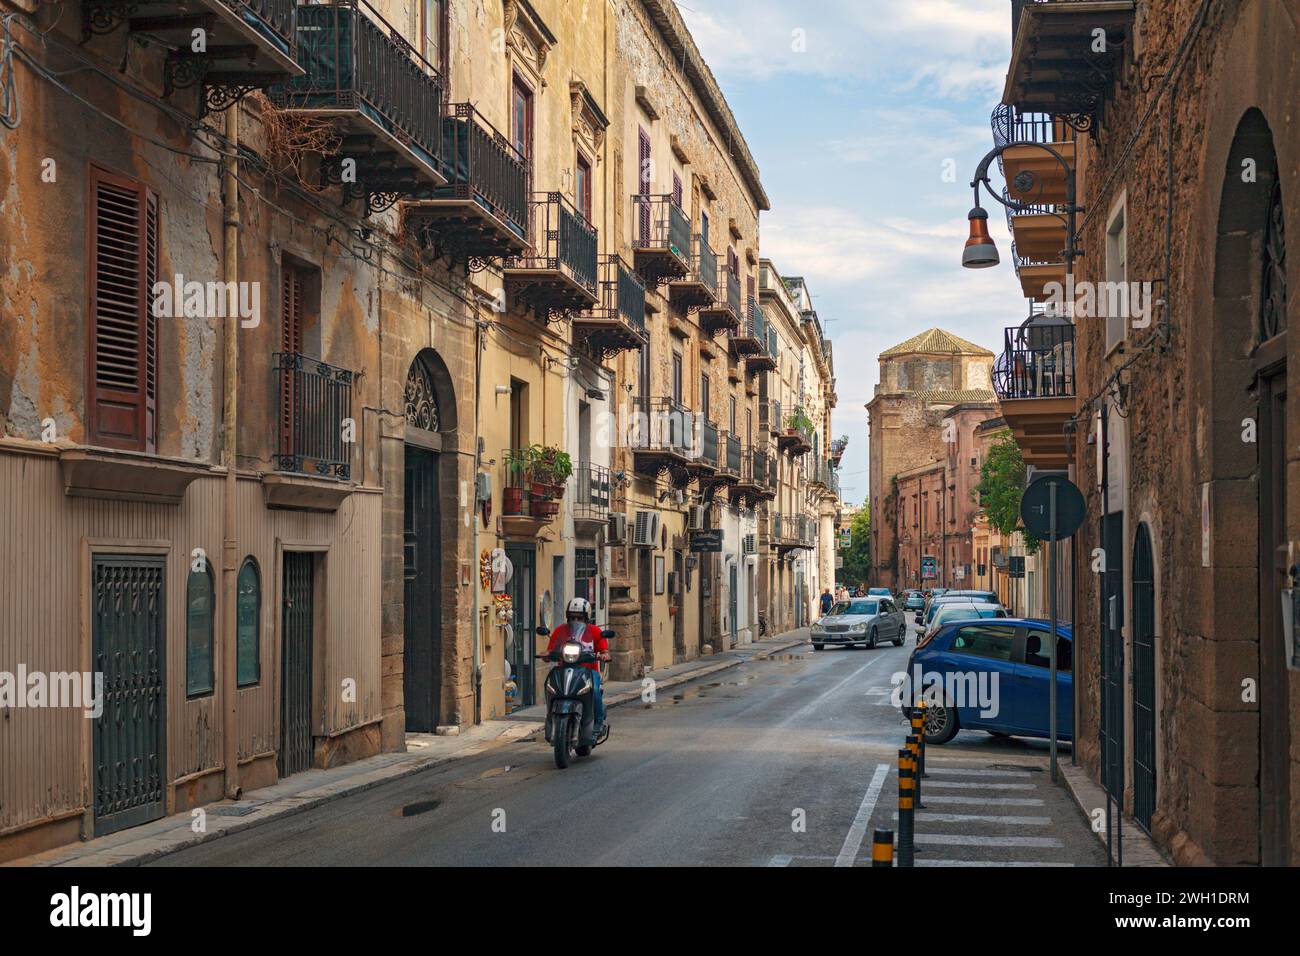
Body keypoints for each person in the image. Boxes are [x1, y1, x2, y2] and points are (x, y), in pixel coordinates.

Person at [546, 597, 611, 733]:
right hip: (564, 669)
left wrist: (604, 655)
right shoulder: (560, 630)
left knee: (595, 692)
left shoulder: (595, 631)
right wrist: (546, 654)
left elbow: (605, 650)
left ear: (586, 618)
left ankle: (598, 722)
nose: (575, 621)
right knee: (550, 687)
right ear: (567, 617)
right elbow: (550, 649)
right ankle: (550, 719)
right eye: (572, 618)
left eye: (579, 618)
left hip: (588, 671)